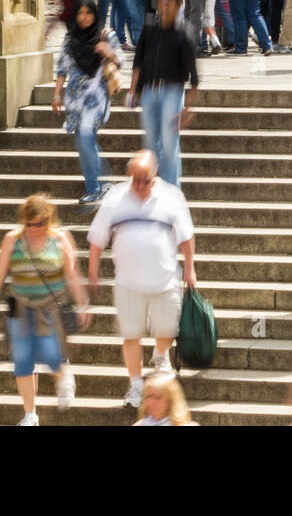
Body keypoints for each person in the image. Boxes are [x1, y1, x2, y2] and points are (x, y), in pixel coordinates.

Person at [88, 151, 196, 408]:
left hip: (165, 279)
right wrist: (93, 269)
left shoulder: (171, 196)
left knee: (167, 329)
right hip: (127, 282)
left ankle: (160, 355)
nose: (139, 185)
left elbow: (186, 236)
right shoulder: (115, 198)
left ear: (155, 175)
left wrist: (190, 267)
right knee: (131, 335)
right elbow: (97, 237)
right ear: (129, 176)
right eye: (135, 179)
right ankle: (136, 385)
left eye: (145, 180)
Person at [0, 194, 90, 426]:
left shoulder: (60, 239)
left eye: (39, 223)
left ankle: (63, 373)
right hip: (19, 307)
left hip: (50, 308)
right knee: (22, 362)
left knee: (50, 355)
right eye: (29, 224)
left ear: (48, 220)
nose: (34, 228)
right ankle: (30, 415)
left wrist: (82, 304)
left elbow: (72, 275)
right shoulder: (12, 239)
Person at [53, 0, 121, 204]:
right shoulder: (70, 37)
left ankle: (94, 187)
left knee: (84, 135)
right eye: (80, 13)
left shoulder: (106, 34)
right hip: (74, 97)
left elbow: (120, 61)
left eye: (88, 13)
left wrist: (108, 52)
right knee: (84, 142)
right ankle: (103, 180)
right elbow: (62, 68)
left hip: (97, 95)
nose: (84, 17)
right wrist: (56, 94)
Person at [128, 0, 199, 188]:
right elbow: (138, 59)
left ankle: (173, 191)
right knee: (150, 143)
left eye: (170, 3)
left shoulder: (184, 32)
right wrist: (133, 89)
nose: (165, 6)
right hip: (150, 90)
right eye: (162, 2)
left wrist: (187, 107)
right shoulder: (151, 27)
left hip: (172, 91)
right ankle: (152, 187)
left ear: (179, 5)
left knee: (169, 144)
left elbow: (193, 75)